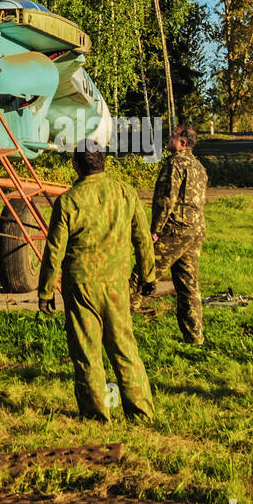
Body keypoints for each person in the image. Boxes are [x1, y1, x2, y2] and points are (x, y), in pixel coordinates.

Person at [38, 139, 156, 423]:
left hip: (81, 286)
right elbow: (142, 238)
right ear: (104, 162)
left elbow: (54, 250)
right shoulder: (126, 193)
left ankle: (95, 415)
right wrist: (149, 275)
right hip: (117, 285)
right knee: (124, 348)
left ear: (75, 165)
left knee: (87, 351)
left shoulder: (68, 201)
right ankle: (141, 413)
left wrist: (45, 290)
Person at [129, 123, 207, 345]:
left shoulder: (175, 164)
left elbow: (166, 199)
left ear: (182, 143)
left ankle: (117, 327)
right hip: (195, 230)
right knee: (188, 286)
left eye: (172, 136)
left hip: (174, 231)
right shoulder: (199, 167)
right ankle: (195, 339)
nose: (168, 139)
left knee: (143, 274)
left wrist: (155, 230)